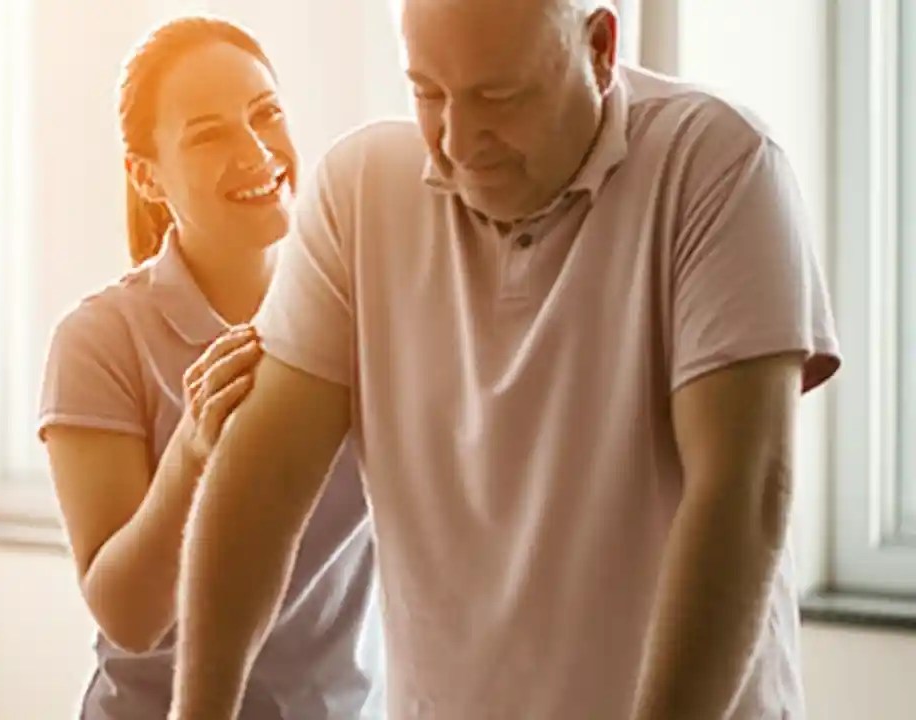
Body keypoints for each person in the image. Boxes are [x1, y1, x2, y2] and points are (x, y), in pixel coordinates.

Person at [170, 0, 841, 718]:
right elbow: (261, 481)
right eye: (427, 92)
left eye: (499, 96)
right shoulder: (358, 192)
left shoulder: (718, 164)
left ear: (600, 46)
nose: (460, 141)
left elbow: (743, 493)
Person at [36, 15, 382, 720]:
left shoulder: (365, 314)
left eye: (266, 114)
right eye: (208, 134)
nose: (255, 150)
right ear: (146, 176)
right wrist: (194, 450)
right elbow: (129, 616)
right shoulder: (99, 340)